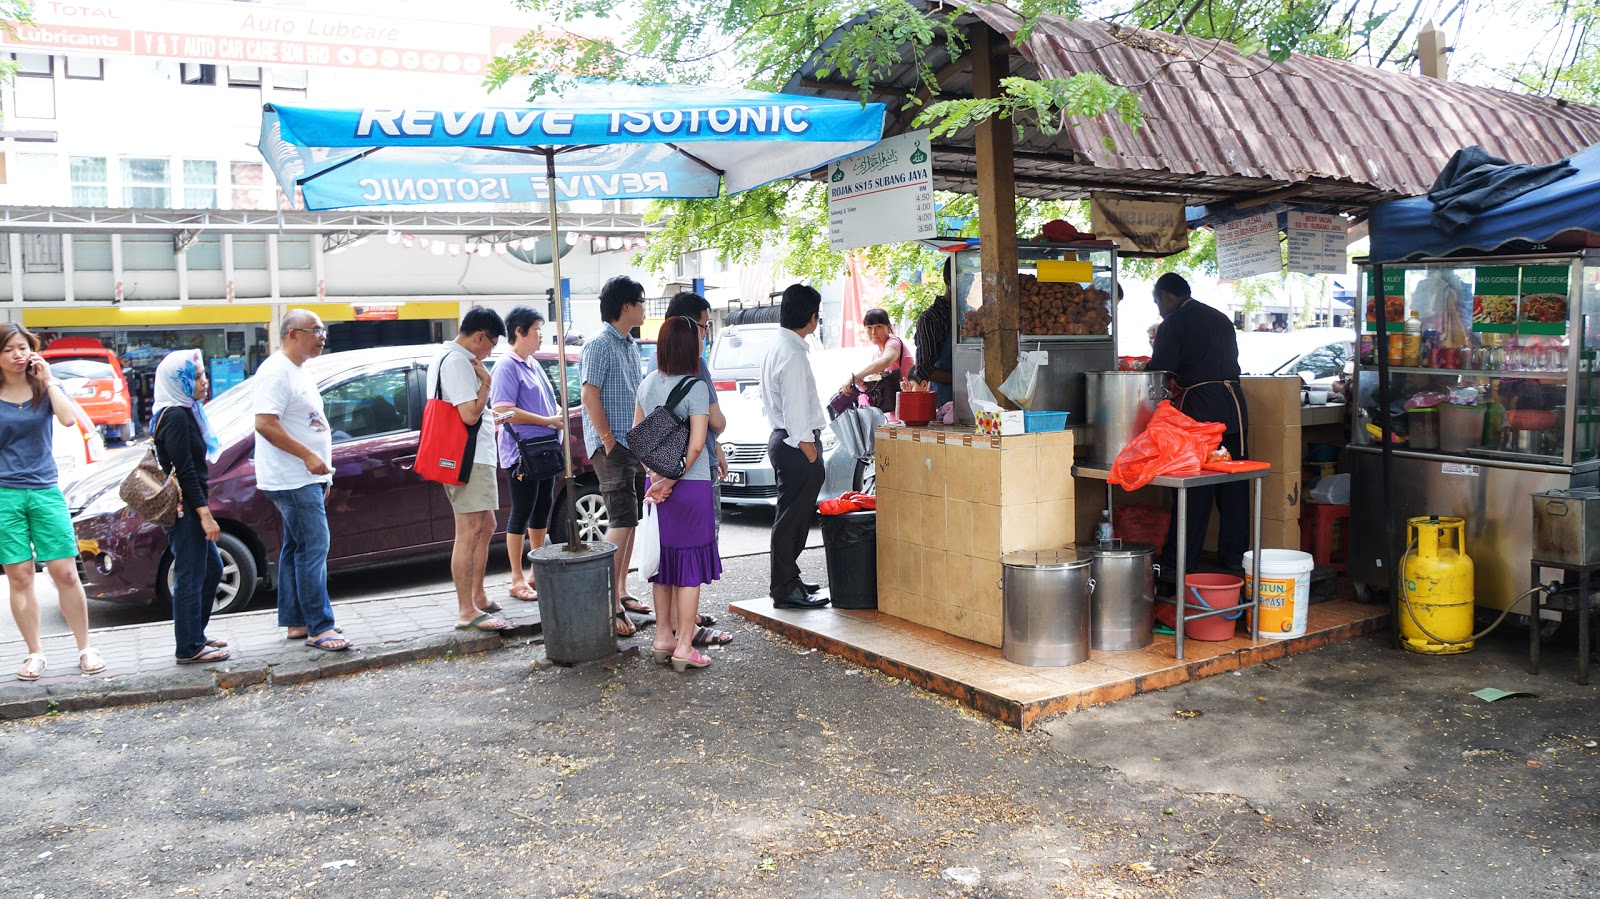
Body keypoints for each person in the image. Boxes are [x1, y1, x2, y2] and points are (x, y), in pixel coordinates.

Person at [0, 323, 106, 680]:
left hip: (45, 490)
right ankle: (35, 653)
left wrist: (48, 379)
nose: (17, 354)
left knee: (64, 571)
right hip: (4, 495)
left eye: (22, 347)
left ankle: (85, 648)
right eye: (9, 349)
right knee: (19, 576)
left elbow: (68, 418)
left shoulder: (42, 389)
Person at [254, 309, 349, 651]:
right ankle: (319, 627)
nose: (322, 337)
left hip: (304, 478)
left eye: (324, 331)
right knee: (314, 547)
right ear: (293, 334)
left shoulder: (298, 369)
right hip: (292, 477)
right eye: (316, 331)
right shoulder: (277, 371)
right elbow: (264, 423)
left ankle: (297, 621)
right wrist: (307, 456)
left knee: (297, 549)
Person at [637, 317, 725, 671]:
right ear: (692, 347)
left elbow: (639, 439)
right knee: (688, 569)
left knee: (664, 565)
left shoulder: (646, 384)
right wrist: (671, 482)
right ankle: (685, 647)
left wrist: (656, 479)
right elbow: (697, 444)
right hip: (689, 486)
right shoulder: (697, 388)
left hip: (655, 487)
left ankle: (662, 638)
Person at [1147, 273, 1251, 571]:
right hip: (1234, 407)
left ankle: (1178, 565)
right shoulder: (1220, 318)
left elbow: (1161, 368)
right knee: (1234, 486)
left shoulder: (1174, 323)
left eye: (1158, 302)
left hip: (1200, 410)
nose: (1159, 309)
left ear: (1167, 296)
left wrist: (1145, 366)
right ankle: (1235, 564)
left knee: (1193, 488)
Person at [428, 306, 512, 632]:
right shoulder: (459, 362)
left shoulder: (449, 357)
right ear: (479, 337)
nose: (489, 352)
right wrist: (487, 384)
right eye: (490, 345)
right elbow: (468, 415)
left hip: (475, 455)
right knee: (469, 532)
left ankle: (476, 594)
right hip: (469, 458)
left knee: (486, 525)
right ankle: (466, 610)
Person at [581, 275, 650, 635]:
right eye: (640, 301)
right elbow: (589, 395)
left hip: (632, 443)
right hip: (613, 446)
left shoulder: (628, 344)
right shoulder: (599, 344)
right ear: (626, 305)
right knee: (621, 520)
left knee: (631, 520)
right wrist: (607, 439)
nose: (643, 307)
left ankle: (620, 591)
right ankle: (604, 601)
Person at [151, 349, 230, 665]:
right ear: (178, 381)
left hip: (188, 509)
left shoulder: (186, 410)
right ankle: (188, 646)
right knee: (190, 575)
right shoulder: (177, 416)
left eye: (202, 374)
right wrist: (206, 516)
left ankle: (194, 633)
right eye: (195, 377)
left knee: (212, 569)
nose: (203, 381)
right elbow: (185, 471)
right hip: (185, 512)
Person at [762, 284, 830, 609]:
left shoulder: (781, 345)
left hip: (787, 442)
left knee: (790, 517)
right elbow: (795, 413)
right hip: (795, 444)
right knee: (792, 519)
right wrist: (810, 450)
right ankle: (785, 586)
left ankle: (788, 580)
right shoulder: (791, 354)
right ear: (812, 317)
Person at [491, 306, 564, 604]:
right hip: (523, 452)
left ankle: (536, 569)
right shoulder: (507, 365)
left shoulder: (531, 363)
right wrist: (547, 421)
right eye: (536, 329)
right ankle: (516, 578)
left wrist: (555, 417)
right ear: (519, 331)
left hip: (544, 449)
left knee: (541, 508)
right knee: (521, 511)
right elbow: (502, 411)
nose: (540, 335)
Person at [662, 291, 729, 536]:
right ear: (688, 327)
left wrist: (660, 477)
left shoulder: (653, 367)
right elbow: (715, 423)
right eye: (704, 326)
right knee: (702, 542)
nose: (705, 334)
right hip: (697, 472)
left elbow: (640, 431)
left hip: (662, 467)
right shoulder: (696, 366)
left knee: (672, 544)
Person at [834, 308, 913, 415]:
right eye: (869, 328)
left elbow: (885, 362)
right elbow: (878, 388)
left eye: (879, 327)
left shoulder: (894, 342)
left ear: (888, 326)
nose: (873, 332)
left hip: (910, 408)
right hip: (891, 414)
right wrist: (862, 384)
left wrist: (854, 377)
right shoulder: (876, 356)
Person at [910, 290, 954, 407]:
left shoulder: (966, 313)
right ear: (948, 280)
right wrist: (960, 378)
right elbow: (924, 369)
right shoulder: (930, 319)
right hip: (944, 400)